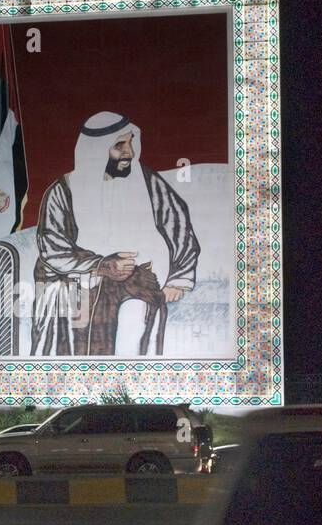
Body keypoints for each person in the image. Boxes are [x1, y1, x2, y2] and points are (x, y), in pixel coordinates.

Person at [30, 111, 200, 355]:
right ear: (96, 151)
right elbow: (52, 249)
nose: (129, 152)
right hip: (76, 279)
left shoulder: (148, 182)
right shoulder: (62, 192)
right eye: (120, 146)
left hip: (131, 275)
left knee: (143, 309)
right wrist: (100, 265)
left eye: (131, 143)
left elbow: (179, 227)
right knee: (81, 305)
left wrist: (178, 279)